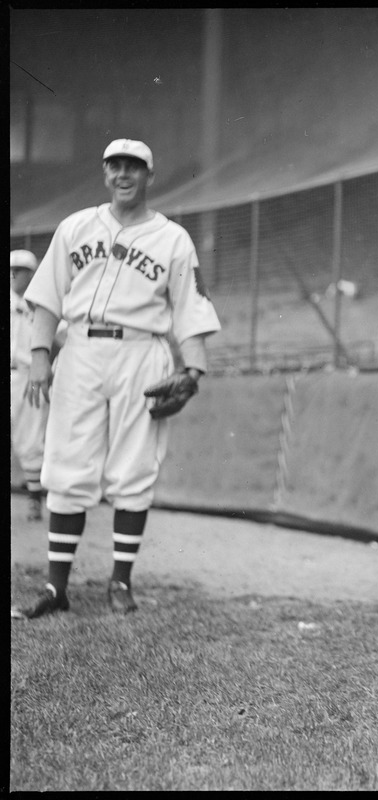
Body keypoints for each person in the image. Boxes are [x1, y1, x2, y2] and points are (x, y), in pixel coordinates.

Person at [15, 138, 222, 619]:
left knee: (134, 467)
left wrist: (192, 370)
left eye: (134, 166)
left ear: (150, 175)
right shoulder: (76, 227)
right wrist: (41, 354)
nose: (124, 174)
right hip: (81, 349)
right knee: (66, 463)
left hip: (141, 352)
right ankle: (55, 587)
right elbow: (46, 297)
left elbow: (191, 310)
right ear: (105, 173)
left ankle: (120, 583)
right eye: (115, 166)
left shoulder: (173, 239)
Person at [10, 249, 50, 521]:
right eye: (13, 269)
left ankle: (35, 500)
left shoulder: (40, 304)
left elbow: (59, 336)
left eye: (21, 270)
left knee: (31, 439)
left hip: (27, 377)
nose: (14, 274)